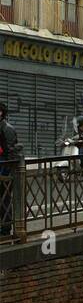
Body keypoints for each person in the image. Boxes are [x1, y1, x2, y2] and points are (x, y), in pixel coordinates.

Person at [0, 101, 21, 236]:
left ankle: (6, 228)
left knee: (4, 198)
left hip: (4, 168)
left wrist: (6, 171)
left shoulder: (7, 128)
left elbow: (11, 152)